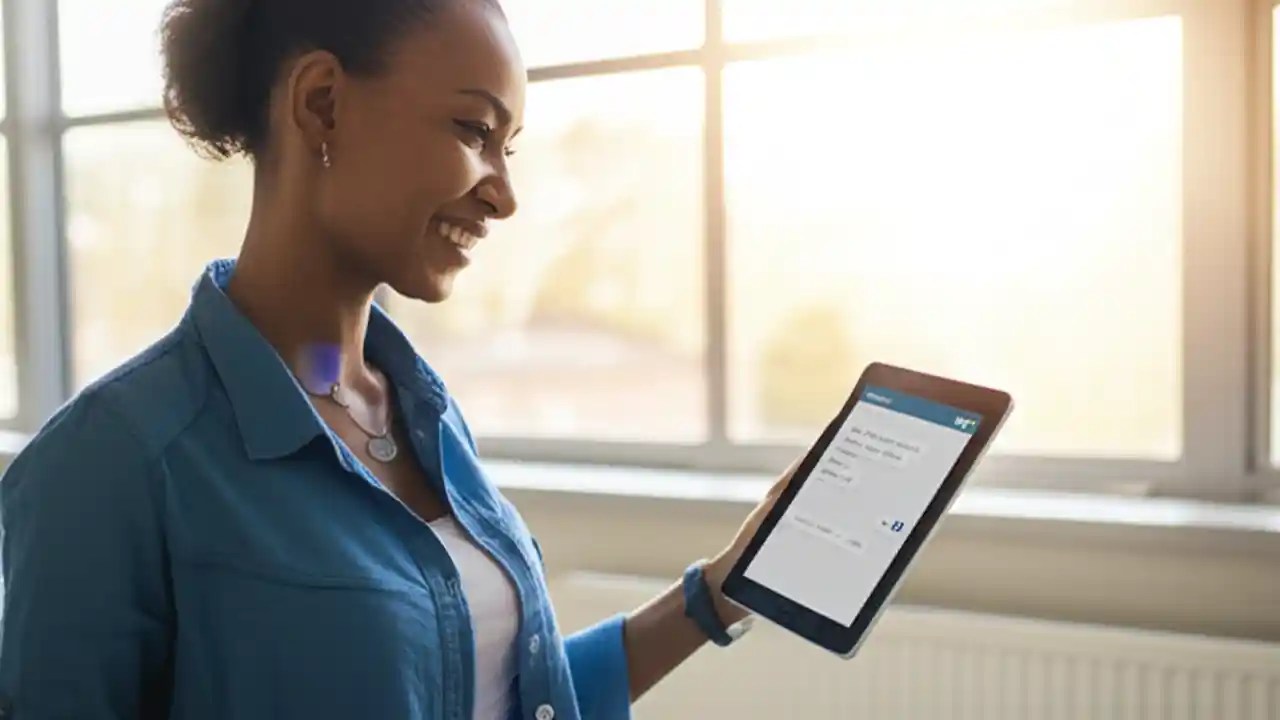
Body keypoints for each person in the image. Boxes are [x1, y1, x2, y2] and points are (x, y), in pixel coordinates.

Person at [0, 0, 796, 717]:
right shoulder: (112, 465)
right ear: (323, 103)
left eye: (508, 147)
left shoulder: (425, 419)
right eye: (473, 132)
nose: (504, 194)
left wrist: (720, 592)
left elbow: (506, 694)